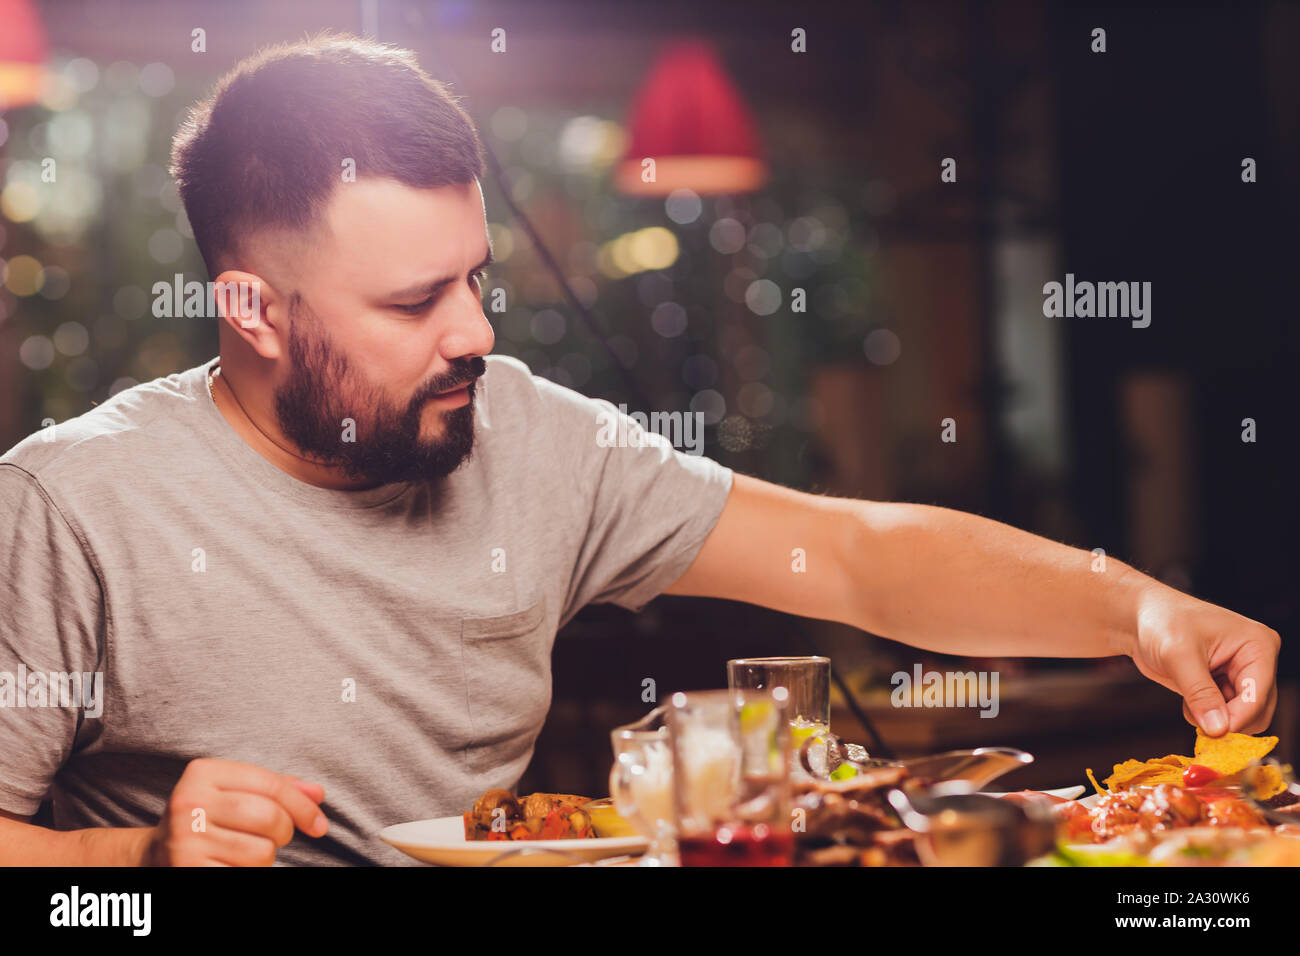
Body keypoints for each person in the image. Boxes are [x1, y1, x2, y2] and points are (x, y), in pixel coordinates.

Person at [0, 34, 1278, 866]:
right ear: (253, 310)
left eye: (476, 277)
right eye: (411, 302)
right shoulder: (70, 504)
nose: (475, 332)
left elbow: (855, 558)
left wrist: (1137, 605)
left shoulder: (528, 436)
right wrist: (136, 865)